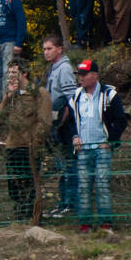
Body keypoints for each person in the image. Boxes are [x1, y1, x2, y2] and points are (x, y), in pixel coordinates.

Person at [64, 59, 126, 233]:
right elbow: (68, 121)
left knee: (102, 185)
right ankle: (86, 225)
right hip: (83, 149)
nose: (81, 78)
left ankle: (106, 224)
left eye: (84, 74)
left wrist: (111, 141)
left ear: (95, 75)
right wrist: (74, 136)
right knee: (83, 186)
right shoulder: (75, 96)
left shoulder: (109, 94)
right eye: (80, 75)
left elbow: (121, 121)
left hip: (102, 148)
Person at [0, 58, 52, 222]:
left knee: (29, 184)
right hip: (12, 145)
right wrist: (7, 97)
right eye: (9, 73)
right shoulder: (10, 95)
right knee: (13, 185)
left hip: (29, 147)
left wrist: (35, 145)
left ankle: (32, 217)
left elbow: (45, 121)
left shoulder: (39, 93)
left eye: (14, 72)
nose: (11, 76)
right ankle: (19, 215)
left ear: (24, 73)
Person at [42, 34, 78, 217]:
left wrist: (62, 121)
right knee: (62, 165)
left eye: (49, 48)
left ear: (59, 49)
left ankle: (71, 204)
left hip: (65, 125)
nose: (46, 52)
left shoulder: (64, 68)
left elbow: (70, 99)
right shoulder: (53, 68)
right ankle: (63, 202)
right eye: (44, 49)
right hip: (54, 122)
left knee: (69, 165)